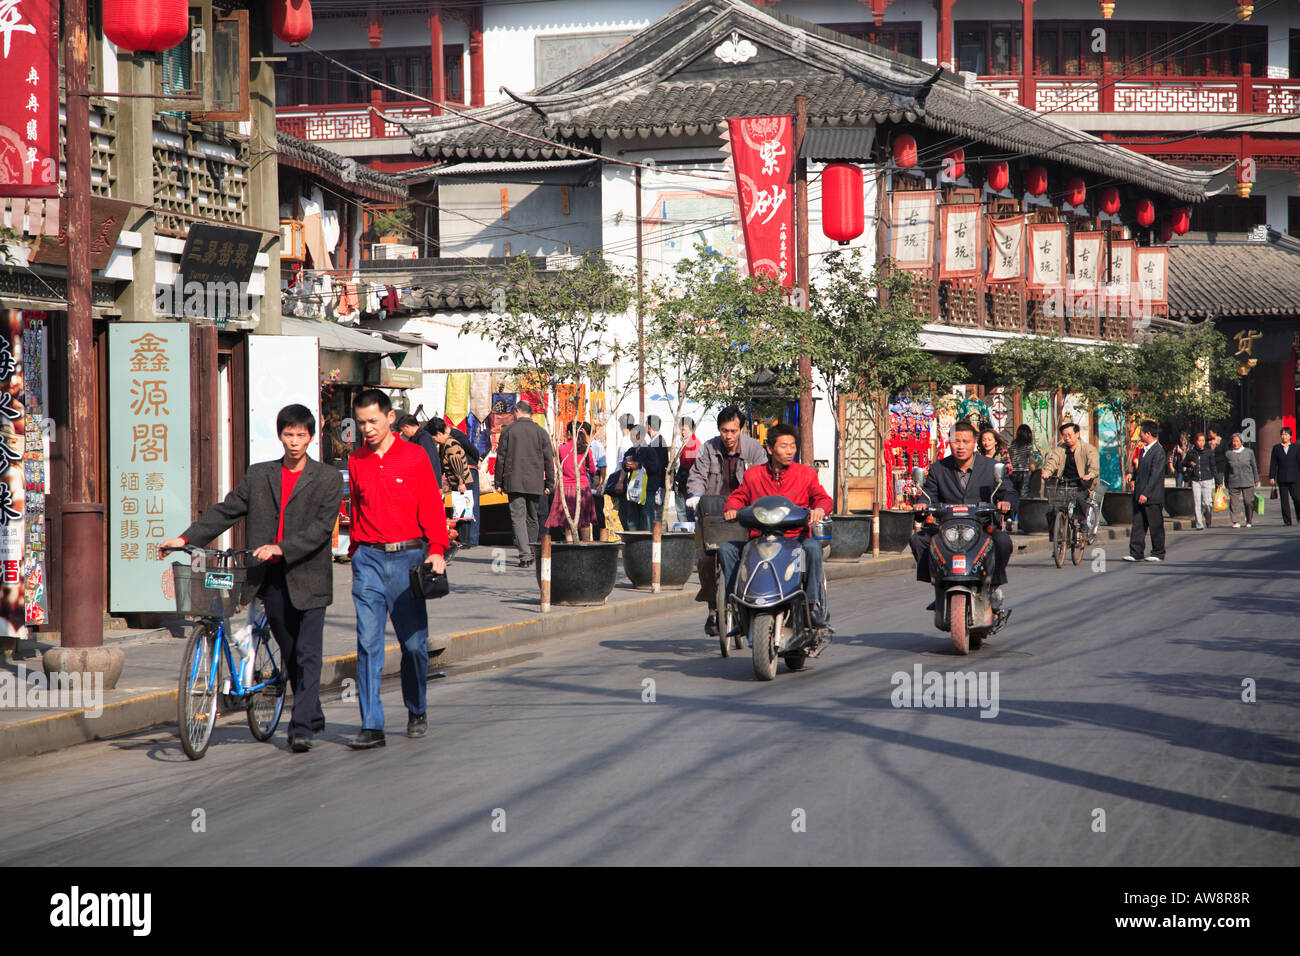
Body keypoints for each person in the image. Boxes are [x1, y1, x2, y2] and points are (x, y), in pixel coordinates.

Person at [162, 405, 343, 754]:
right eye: (288, 434)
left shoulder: (327, 478)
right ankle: (312, 708)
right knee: (289, 650)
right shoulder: (261, 475)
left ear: (310, 437)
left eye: (301, 435)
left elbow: (321, 529)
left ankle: (301, 726)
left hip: (308, 576)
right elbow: (227, 509)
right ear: (280, 435)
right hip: (268, 577)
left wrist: (281, 547)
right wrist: (186, 539)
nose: (294, 442)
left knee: (307, 653)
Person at [346, 389, 449, 749]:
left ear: (390, 418)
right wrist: (355, 551)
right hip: (369, 561)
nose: (367, 429)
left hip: (408, 560)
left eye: (373, 421)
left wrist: (437, 550)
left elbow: (432, 507)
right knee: (368, 644)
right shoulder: (356, 461)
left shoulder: (416, 456)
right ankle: (372, 725)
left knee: (415, 645)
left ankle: (416, 708)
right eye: (361, 423)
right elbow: (357, 509)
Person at [720, 423, 833, 638]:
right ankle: (735, 607)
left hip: (795, 540)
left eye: (792, 446)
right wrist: (732, 509)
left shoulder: (806, 474)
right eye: (784, 446)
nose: (790, 451)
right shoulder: (754, 475)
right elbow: (738, 496)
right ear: (770, 449)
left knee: (813, 548)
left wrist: (819, 509)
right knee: (727, 550)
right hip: (759, 540)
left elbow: (822, 498)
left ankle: (812, 604)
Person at [910, 420, 1016, 617]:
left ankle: (992, 586)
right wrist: (922, 505)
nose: (961, 446)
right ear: (949, 442)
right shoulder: (938, 469)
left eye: (965, 441)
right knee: (919, 540)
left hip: (982, 528)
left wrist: (1006, 503)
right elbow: (927, 495)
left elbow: (1008, 491)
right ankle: (939, 584)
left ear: (975, 442)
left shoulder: (991, 467)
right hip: (947, 529)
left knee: (1003, 542)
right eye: (956, 441)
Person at [685, 405, 768, 635]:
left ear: (741, 429)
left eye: (733, 430)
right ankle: (713, 609)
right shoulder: (708, 448)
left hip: (745, 514)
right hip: (713, 513)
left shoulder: (754, 449)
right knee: (704, 559)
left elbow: (762, 479)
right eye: (724, 430)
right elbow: (697, 476)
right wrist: (695, 497)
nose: (728, 436)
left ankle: (751, 603)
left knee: (754, 555)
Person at [495, 399, 555, 568]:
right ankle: (530, 550)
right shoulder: (541, 432)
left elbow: (501, 457)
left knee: (518, 517)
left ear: (517, 412)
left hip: (514, 480)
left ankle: (525, 554)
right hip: (536, 481)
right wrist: (550, 483)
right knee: (532, 517)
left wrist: (498, 481)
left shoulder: (509, 431)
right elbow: (548, 460)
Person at [1040, 422, 1100, 542]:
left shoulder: (1087, 449)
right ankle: (1057, 540)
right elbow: (1052, 461)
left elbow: (1093, 463)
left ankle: (1083, 522)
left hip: (1081, 483)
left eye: (1069, 435)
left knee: (1080, 499)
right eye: (1064, 435)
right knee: (1053, 510)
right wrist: (1047, 472)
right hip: (1064, 483)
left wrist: (1090, 474)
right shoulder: (1060, 449)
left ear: (1077, 434)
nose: (1067, 438)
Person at [426, 418, 475, 549]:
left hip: (462, 482)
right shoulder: (445, 444)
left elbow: (457, 463)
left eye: (434, 438)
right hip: (458, 482)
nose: (435, 441)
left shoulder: (451, 444)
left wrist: (460, 482)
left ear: (439, 434)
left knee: (463, 510)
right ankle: (461, 538)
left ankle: (465, 541)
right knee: (459, 509)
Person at [548, 421, 600, 540]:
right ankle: (585, 551)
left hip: (565, 489)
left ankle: (571, 550)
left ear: (569, 433)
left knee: (568, 524)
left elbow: (558, 467)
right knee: (585, 523)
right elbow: (592, 470)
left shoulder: (561, 449)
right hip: (583, 488)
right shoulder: (586, 449)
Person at [1125, 420, 1166, 562]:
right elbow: (1142, 470)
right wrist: (1133, 475)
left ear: (1148, 434)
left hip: (1152, 496)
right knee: (1138, 524)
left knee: (1155, 525)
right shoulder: (1144, 450)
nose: (1140, 434)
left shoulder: (1158, 452)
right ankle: (1136, 552)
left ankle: (1158, 552)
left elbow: (1155, 475)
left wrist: (1146, 494)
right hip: (1139, 493)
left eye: (1141, 432)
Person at [618, 426, 662, 531]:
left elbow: (654, 467)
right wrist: (627, 464)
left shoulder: (649, 450)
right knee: (632, 519)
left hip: (647, 490)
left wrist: (639, 465)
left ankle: (646, 544)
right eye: (632, 435)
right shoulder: (631, 451)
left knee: (646, 517)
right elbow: (624, 464)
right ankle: (634, 543)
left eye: (635, 435)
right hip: (634, 489)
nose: (633, 438)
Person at [1224, 433, 1260, 528]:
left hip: (1247, 480)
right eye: (1234, 441)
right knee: (1233, 503)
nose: (1235, 443)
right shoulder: (1228, 454)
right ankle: (1235, 521)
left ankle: (1249, 519)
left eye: (1237, 441)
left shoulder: (1249, 452)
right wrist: (1226, 481)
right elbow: (1226, 469)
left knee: (1248, 501)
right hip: (1233, 481)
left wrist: (1256, 479)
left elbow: (1254, 466)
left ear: (1241, 442)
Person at [1182, 432, 1217, 529]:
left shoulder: (1209, 452)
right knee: (1197, 502)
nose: (1201, 443)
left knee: (1207, 502)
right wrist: (1190, 463)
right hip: (1195, 479)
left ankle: (1208, 515)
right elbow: (1184, 462)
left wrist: (1217, 480)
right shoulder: (1192, 452)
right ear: (1195, 441)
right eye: (1199, 440)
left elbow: (1213, 466)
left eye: (1203, 441)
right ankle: (1199, 524)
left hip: (1207, 479)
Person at [1268, 426, 1300, 527]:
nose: (1284, 436)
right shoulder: (1276, 448)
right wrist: (1272, 476)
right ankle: (1287, 520)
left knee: (1297, 498)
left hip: (1295, 477)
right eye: (1282, 434)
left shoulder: (1296, 447)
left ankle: (1299, 517)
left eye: (1286, 434)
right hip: (1282, 477)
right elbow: (1273, 463)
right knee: (1284, 500)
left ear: (1290, 436)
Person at [674, 417, 701, 523]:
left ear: (691, 429)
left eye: (684, 430)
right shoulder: (687, 443)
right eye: (681, 429)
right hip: (686, 483)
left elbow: (690, 466)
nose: (682, 432)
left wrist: (681, 482)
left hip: (692, 484)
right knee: (687, 513)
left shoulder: (694, 444)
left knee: (691, 514)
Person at [1007, 424, 1040, 504]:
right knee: (1023, 496)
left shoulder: (1012, 445)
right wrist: (1035, 471)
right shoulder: (1028, 446)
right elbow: (1031, 464)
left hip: (1013, 473)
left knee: (1014, 494)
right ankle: (1022, 513)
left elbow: (1009, 459)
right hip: (1024, 473)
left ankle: (1014, 514)